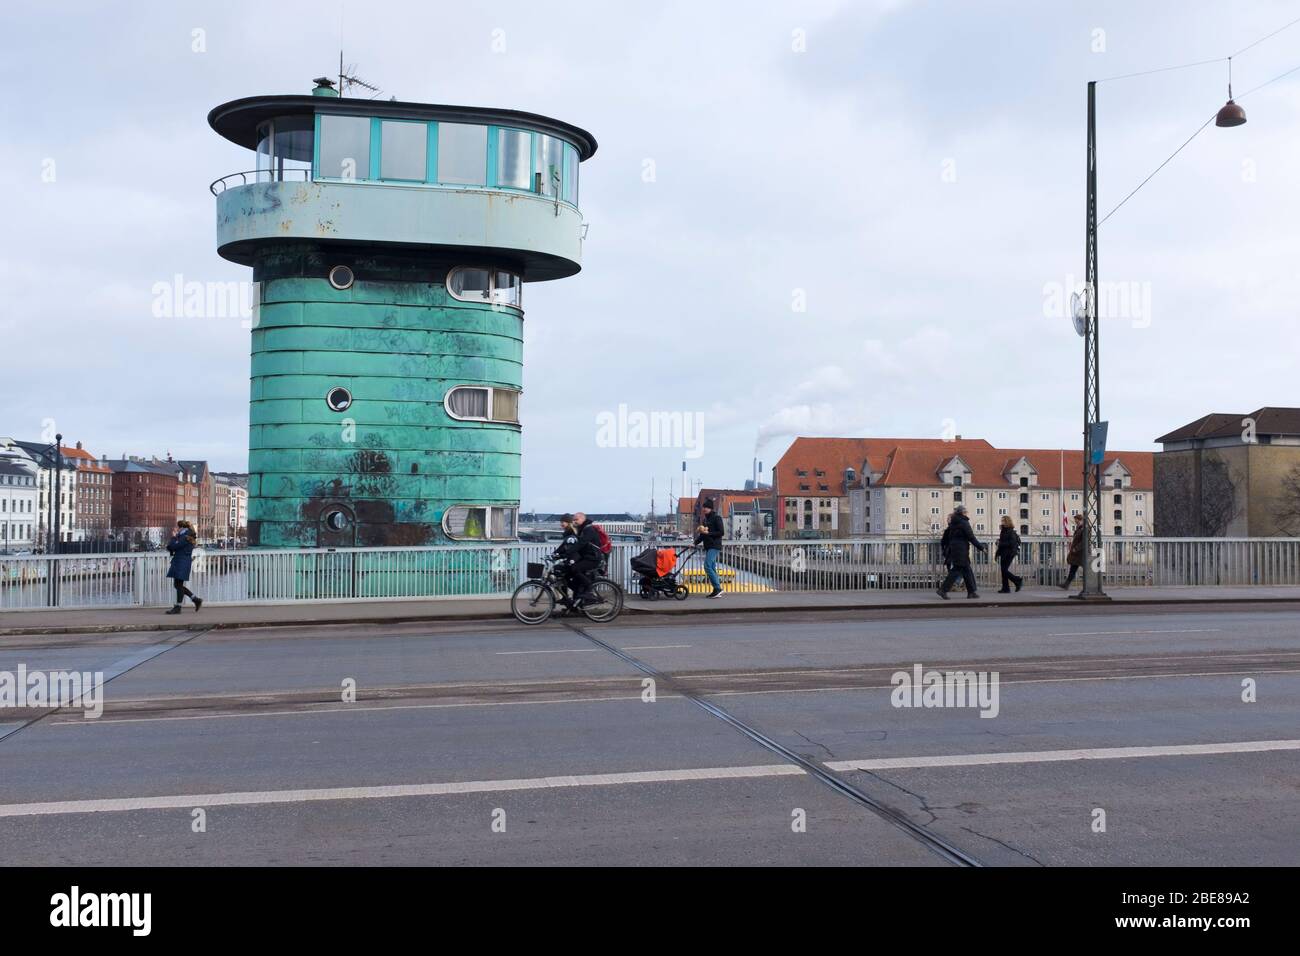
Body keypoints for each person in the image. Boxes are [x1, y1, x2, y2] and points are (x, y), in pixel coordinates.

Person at [937, 504, 985, 600]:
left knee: (966, 570)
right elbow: (971, 537)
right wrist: (981, 547)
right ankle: (943, 590)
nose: (967, 513)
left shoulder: (954, 522)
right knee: (956, 570)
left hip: (956, 549)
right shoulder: (963, 522)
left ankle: (971, 592)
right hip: (961, 549)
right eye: (966, 511)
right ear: (963, 512)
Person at [561, 512, 604, 605]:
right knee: (569, 572)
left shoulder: (589, 529)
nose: (574, 521)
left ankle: (589, 590)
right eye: (573, 520)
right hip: (587, 557)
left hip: (593, 558)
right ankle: (577, 598)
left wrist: (568, 552)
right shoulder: (581, 529)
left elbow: (581, 543)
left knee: (575, 568)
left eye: (576, 519)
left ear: (582, 519)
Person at [165, 520, 202, 614]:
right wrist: (174, 540)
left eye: (177, 527)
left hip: (182, 562)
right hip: (180, 561)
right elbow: (171, 546)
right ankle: (195, 599)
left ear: (181, 527)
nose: (176, 529)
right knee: (178, 585)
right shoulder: (184, 536)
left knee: (178, 585)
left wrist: (173, 537)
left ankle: (178, 607)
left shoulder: (185, 537)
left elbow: (174, 546)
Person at [694, 499, 725, 598]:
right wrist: (695, 543)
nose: (704, 509)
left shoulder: (717, 518)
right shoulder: (705, 520)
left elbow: (721, 532)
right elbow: (703, 535)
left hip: (714, 545)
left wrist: (709, 533)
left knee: (707, 566)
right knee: (711, 567)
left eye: (706, 507)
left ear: (711, 508)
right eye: (704, 507)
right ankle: (717, 590)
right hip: (708, 546)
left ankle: (718, 588)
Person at [994, 515, 1023, 593]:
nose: (1002, 522)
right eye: (1001, 521)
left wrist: (1000, 543)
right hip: (1004, 553)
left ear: (1007, 522)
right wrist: (997, 554)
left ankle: (1017, 580)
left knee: (1004, 570)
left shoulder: (1011, 531)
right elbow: (1001, 544)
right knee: (1003, 571)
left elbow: (1011, 543)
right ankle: (1006, 588)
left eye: (1003, 521)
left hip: (1009, 553)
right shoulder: (1003, 531)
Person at [1061, 513, 1086, 589]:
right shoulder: (1079, 529)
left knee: (1086, 569)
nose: (1076, 522)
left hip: (1082, 553)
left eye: (1077, 521)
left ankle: (1090, 584)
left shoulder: (1084, 529)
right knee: (1073, 568)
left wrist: (1076, 548)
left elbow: (1084, 541)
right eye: (1075, 521)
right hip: (1077, 553)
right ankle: (1066, 584)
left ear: (1080, 520)